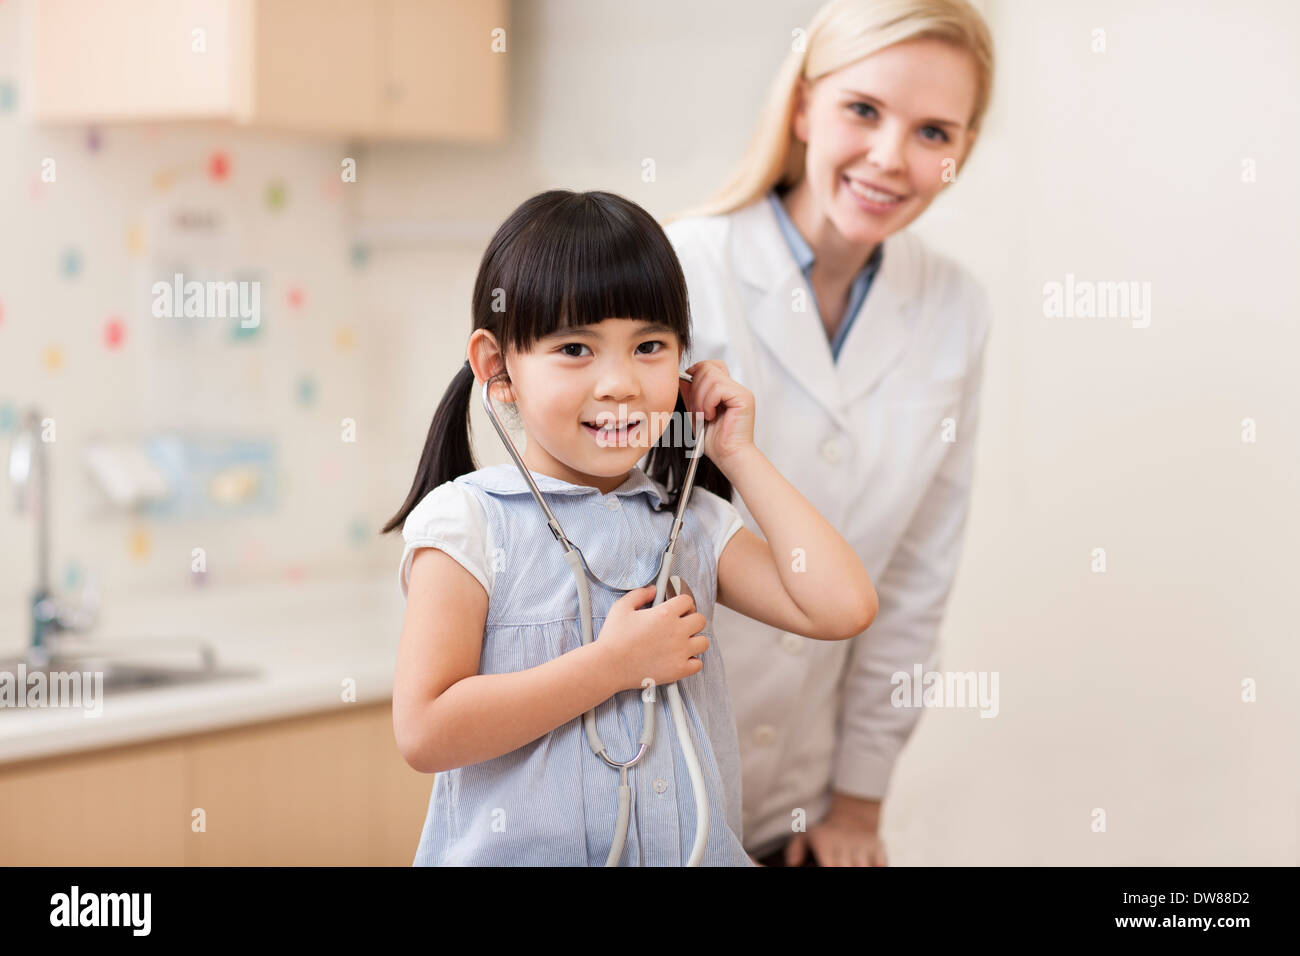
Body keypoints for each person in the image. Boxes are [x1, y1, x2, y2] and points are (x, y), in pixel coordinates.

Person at [383, 189, 877, 866]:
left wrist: (737, 453)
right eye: (576, 349)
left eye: (648, 346)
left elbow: (842, 606)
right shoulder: (469, 525)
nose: (619, 383)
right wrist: (611, 667)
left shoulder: (691, 522)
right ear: (498, 368)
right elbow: (426, 729)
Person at [664, 0, 995, 867]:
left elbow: (919, 576)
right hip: (649, 786)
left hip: (802, 815)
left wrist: (858, 802)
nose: (891, 157)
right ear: (805, 106)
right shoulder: (684, 269)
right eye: (863, 110)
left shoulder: (956, 309)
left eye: (933, 131)